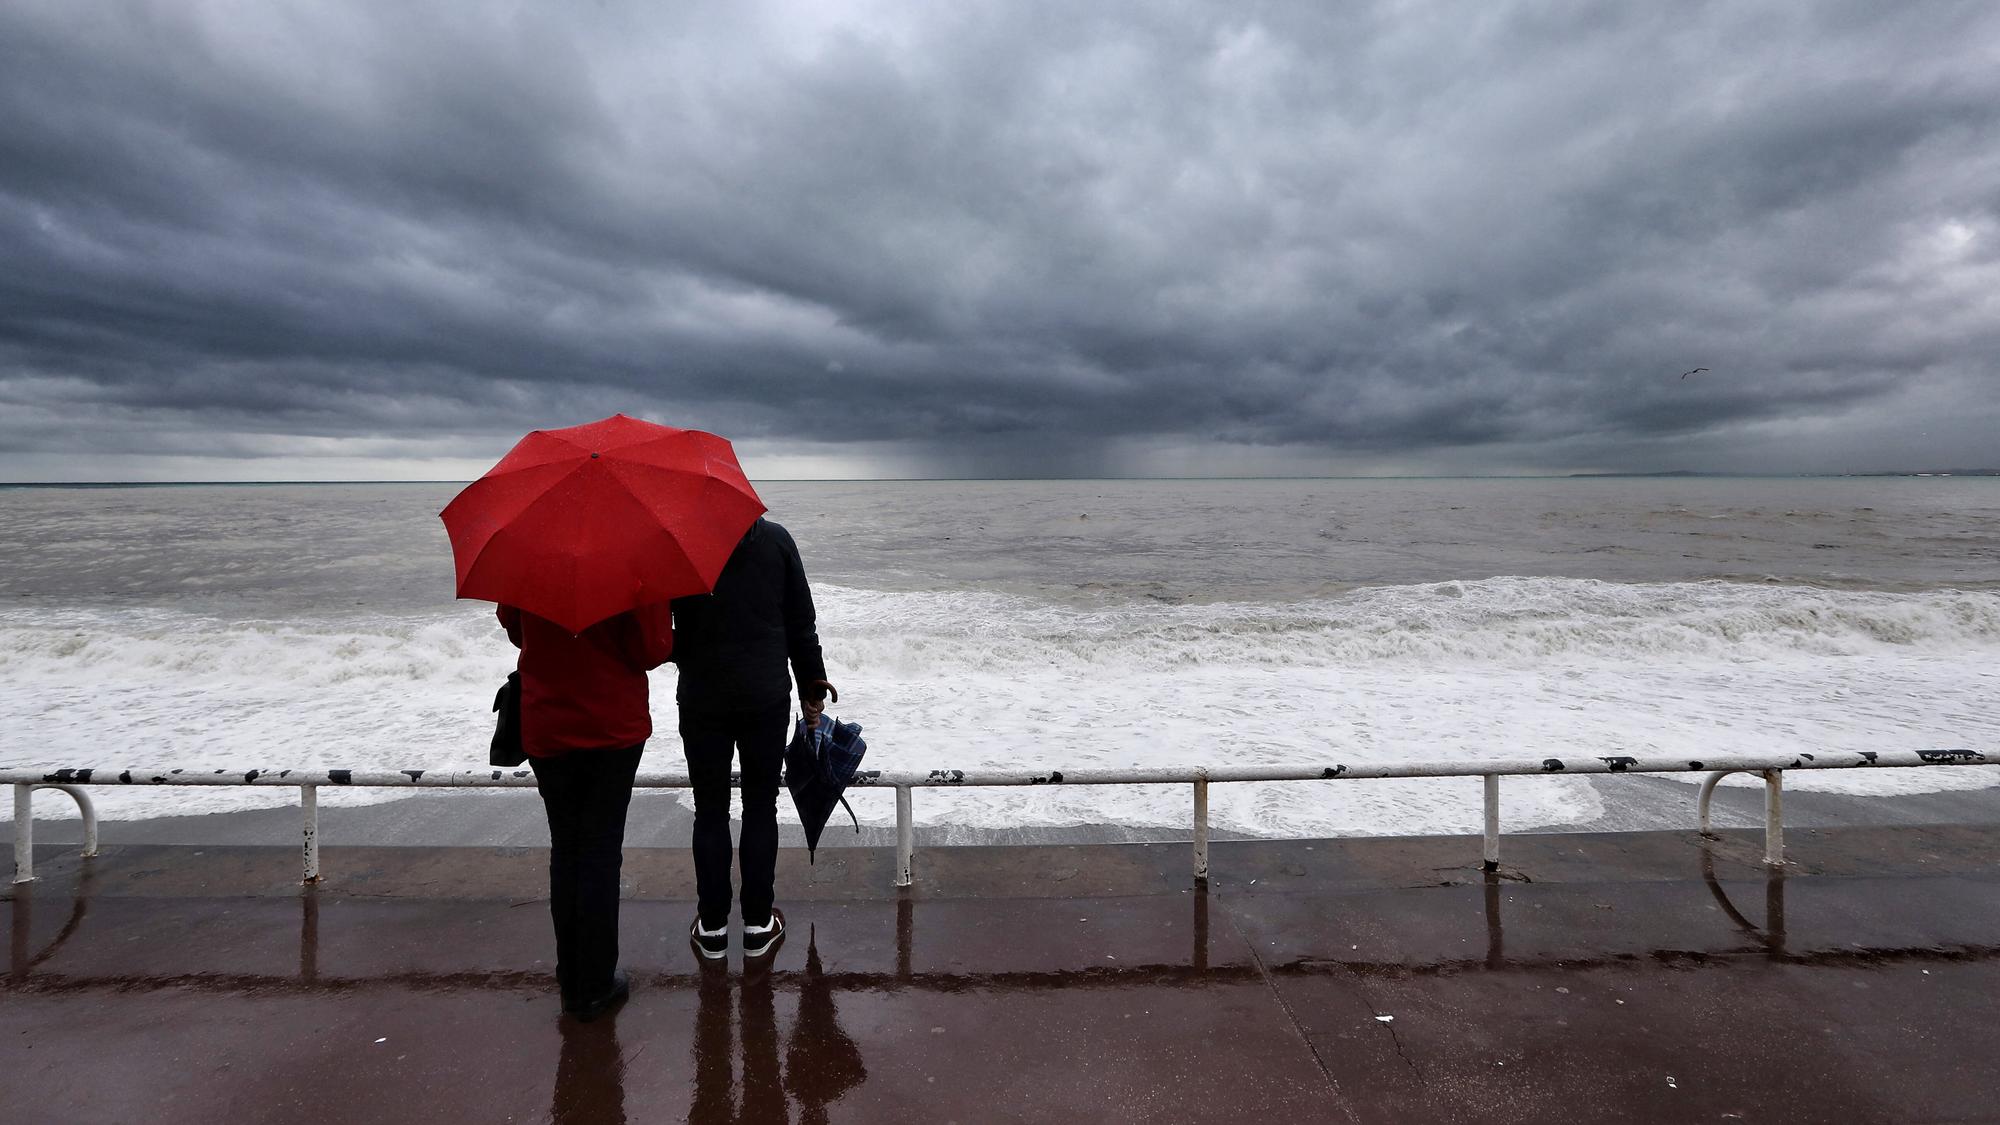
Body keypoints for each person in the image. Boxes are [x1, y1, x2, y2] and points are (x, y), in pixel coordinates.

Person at [500, 602, 674, 1020]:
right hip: (612, 726)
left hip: (547, 722)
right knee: (600, 851)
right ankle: (595, 984)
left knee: (566, 849)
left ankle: (571, 978)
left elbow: (515, 628)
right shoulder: (634, 569)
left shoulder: (530, 564)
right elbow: (653, 649)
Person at [672, 516, 833, 961]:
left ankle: (712, 928)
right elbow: (801, 624)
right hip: (765, 696)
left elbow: (659, 635)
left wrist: (691, 646)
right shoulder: (776, 540)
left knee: (710, 809)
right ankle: (759, 924)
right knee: (761, 806)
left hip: (702, 698)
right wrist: (812, 689)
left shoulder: (681, 546)